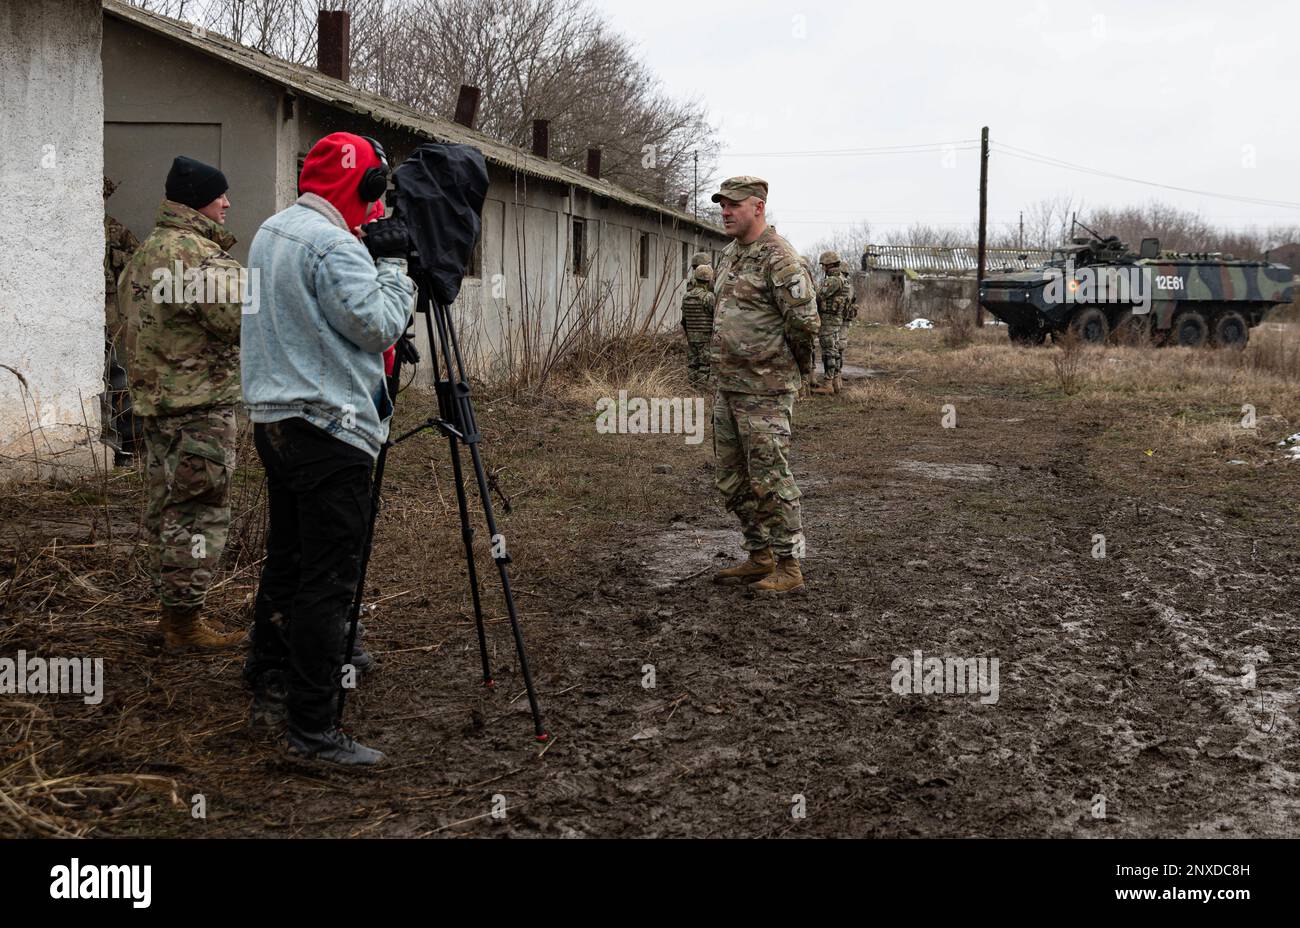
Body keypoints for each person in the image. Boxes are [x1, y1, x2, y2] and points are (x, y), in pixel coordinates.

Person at [241, 132, 414, 766]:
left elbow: (314, 319)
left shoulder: (272, 231)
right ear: (365, 186)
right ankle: (312, 729)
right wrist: (394, 267)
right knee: (327, 580)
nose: (380, 203)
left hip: (277, 421)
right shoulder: (336, 245)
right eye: (377, 190)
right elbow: (377, 325)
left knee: (288, 560)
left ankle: (268, 676)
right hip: (330, 429)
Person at [118, 156, 245, 652]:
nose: (227, 203)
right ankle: (185, 624)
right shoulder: (201, 258)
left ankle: (173, 615)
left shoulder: (146, 251)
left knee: (168, 511)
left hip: (156, 407)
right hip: (200, 410)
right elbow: (246, 322)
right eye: (220, 195)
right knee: (198, 515)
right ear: (197, 201)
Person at [708, 176, 819, 594]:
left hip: (765, 391)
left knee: (770, 479)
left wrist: (787, 371)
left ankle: (789, 565)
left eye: (734, 205)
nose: (725, 212)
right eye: (722, 205)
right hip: (729, 386)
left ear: (758, 207)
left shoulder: (781, 259)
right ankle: (760, 555)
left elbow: (805, 325)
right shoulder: (730, 254)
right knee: (731, 480)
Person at [103, 177, 141, 463]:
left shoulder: (115, 230)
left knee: (119, 379)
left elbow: (139, 267)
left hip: (112, 315)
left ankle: (128, 444)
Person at [811, 250, 852, 394]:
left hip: (828, 320)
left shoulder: (833, 280)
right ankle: (835, 383)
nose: (822, 268)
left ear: (829, 264)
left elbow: (818, 296)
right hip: (836, 319)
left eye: (823, 265)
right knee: (834, 351)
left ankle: (828, 384)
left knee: (828, 352)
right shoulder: (842, 279)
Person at [680, 264, 716, 389]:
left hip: (691, 336)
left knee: (692, 364)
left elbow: (684, 319)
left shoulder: (686, 296)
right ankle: (700, 391)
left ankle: (691, 389)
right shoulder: (709, 297)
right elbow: (715, 316)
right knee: (704, 365)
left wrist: (689, 332)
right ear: (709, 281)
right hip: (705, 337)